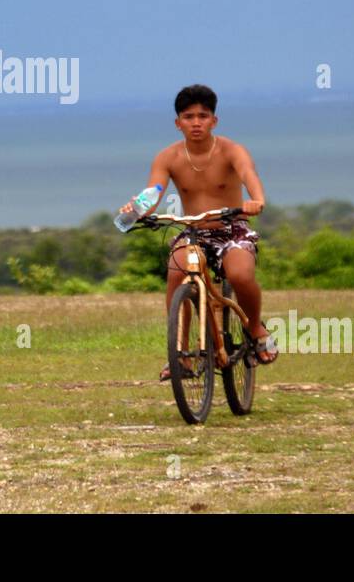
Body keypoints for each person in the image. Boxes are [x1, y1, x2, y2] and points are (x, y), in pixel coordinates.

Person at [119, 84, 278, 380]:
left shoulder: (232, 150)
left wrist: (256, 200)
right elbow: (153, 190)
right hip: (194, 232)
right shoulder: (168, 157)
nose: (196, 122)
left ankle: (255, 328)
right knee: (176, 272)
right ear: (178, 123)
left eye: (203, 116)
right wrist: (138, 208)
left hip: (232, 230)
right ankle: (180, 354)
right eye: (188, 116)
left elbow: (248, 175)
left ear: (213, 121)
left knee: (241, 275)